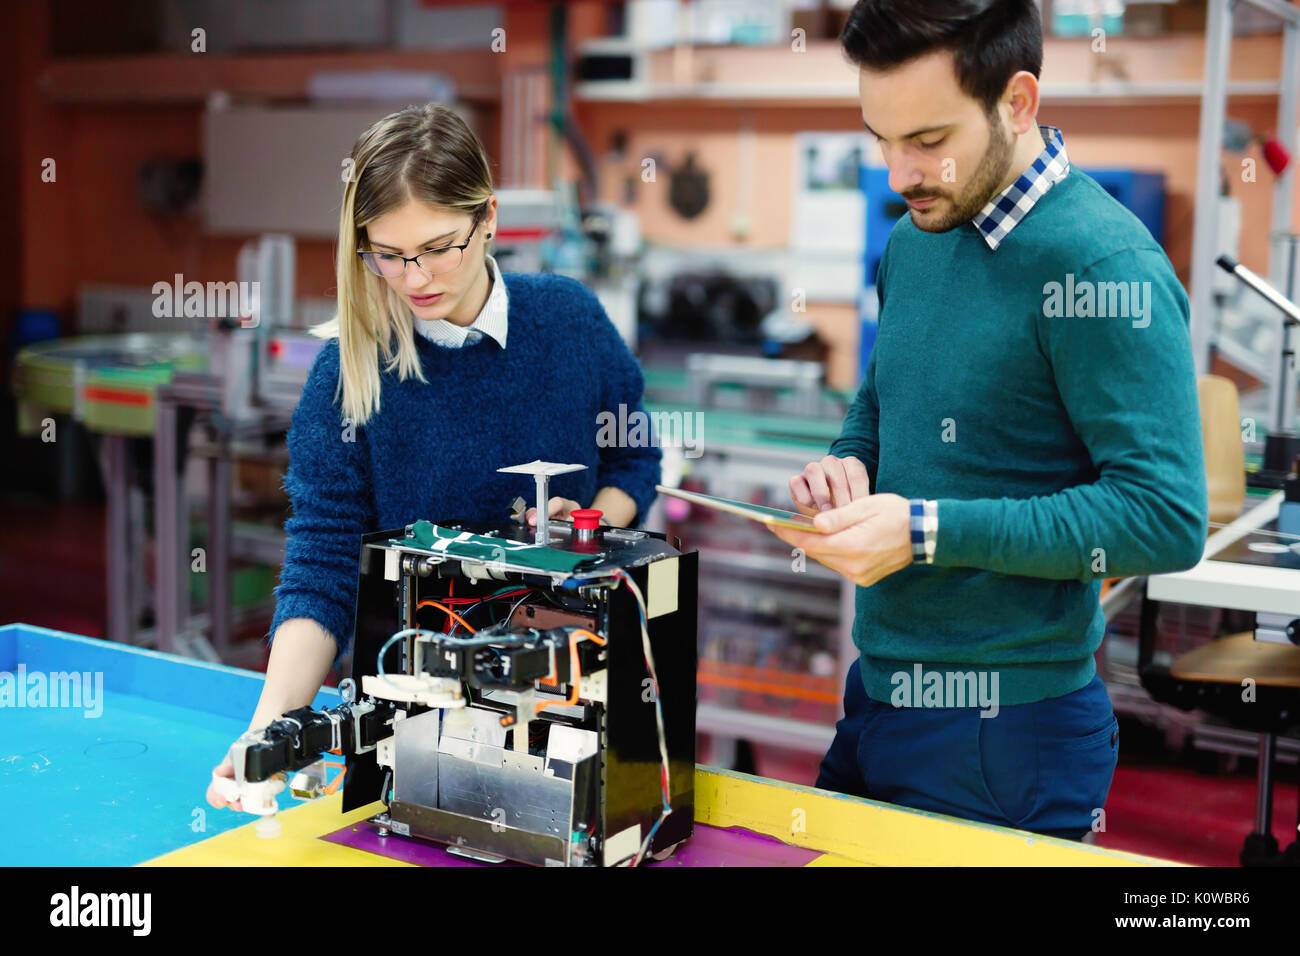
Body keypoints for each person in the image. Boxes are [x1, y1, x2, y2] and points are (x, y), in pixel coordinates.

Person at [770, 0, 1207, 840]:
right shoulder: (915, 237)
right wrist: (848, 462)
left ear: (1017, 102)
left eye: (929, 141)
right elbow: (880, 401)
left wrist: (926, 531)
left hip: (1008, 731)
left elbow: (1166, 517)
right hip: (880, 691)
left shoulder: (1100, 263)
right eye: (881, 139)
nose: (900, 173)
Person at [207, 103, 660, 810]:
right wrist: (268, 729)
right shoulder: (349, 373)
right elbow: (323, 563)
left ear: (489, 221)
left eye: (441, 245)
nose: (415, 277)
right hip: (410, 729)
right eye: (388, 254)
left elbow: (634, 463)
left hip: (565, 715)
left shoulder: (569, 323)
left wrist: (589, 530)